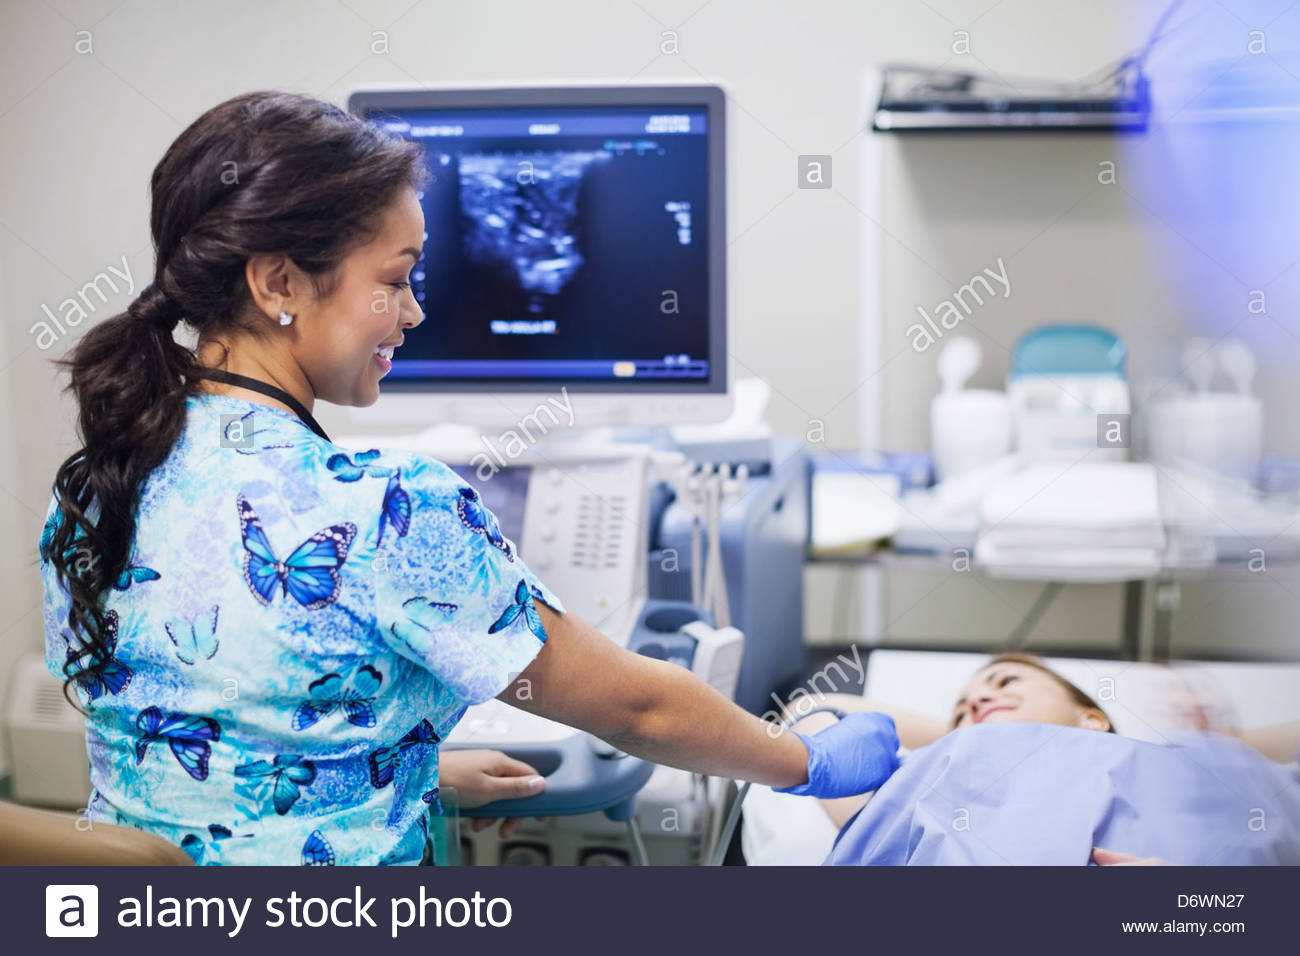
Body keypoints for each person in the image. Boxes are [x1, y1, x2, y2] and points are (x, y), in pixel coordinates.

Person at [38, 91, 901, 866]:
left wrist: (402, 769)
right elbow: (637, 712)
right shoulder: (383, 507)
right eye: (396, 280)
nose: (413, 312)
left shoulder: (96, 483)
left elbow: (204, 740)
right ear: (278, 282)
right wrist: (807, 761)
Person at [743, 653, 1300, 866]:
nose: (981, 695)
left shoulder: (1171, 763)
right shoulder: (916, 779)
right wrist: (964, 737)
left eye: (1007, 681)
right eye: (964, 703)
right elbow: (814, 708)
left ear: (1092, 718)